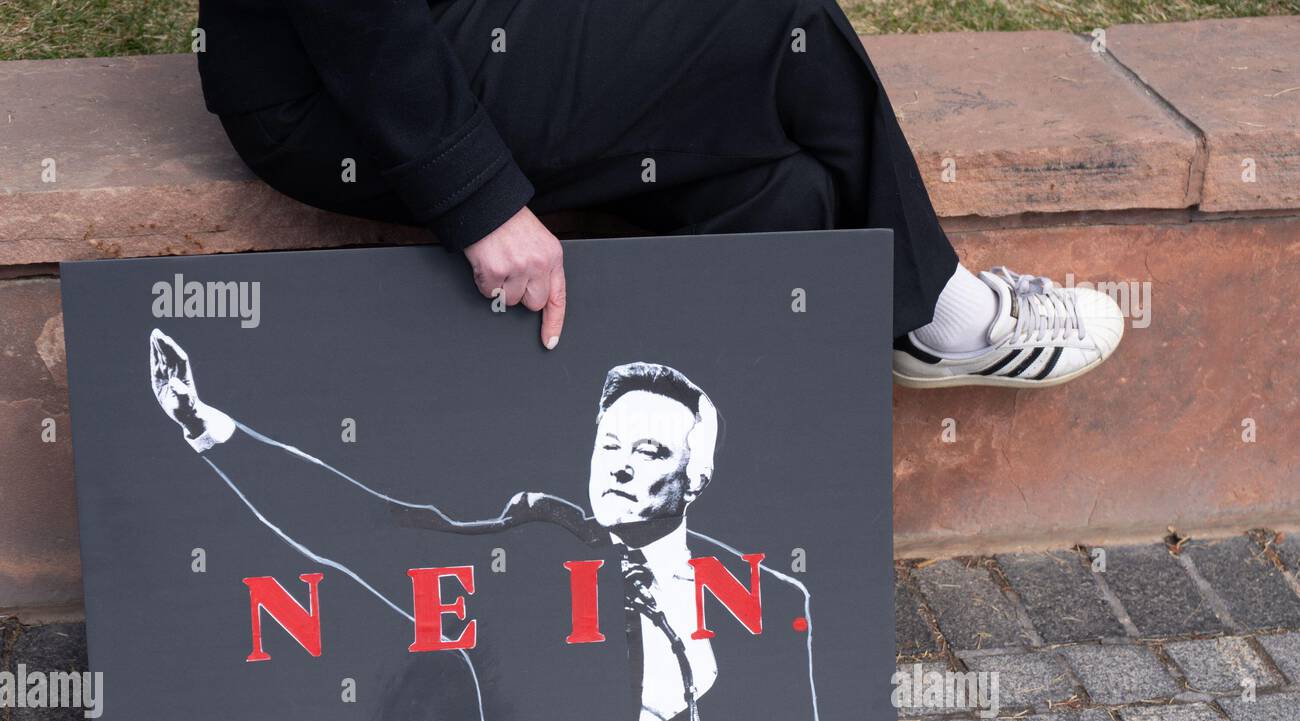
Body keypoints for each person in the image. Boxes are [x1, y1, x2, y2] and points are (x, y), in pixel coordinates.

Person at [195, 0, 1127, 388]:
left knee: (784, 184)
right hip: (338, 87)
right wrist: (477, 198)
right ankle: (937, 315)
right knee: (782, 22)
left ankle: (764, 525)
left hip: (455, 26)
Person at [148, 329, 850, 721]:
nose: (623, 466)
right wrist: (205, 423)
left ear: (697, 478)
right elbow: (362, 525)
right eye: (610, 446)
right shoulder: (526, 560)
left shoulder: (769, 595)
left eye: (652, 452)